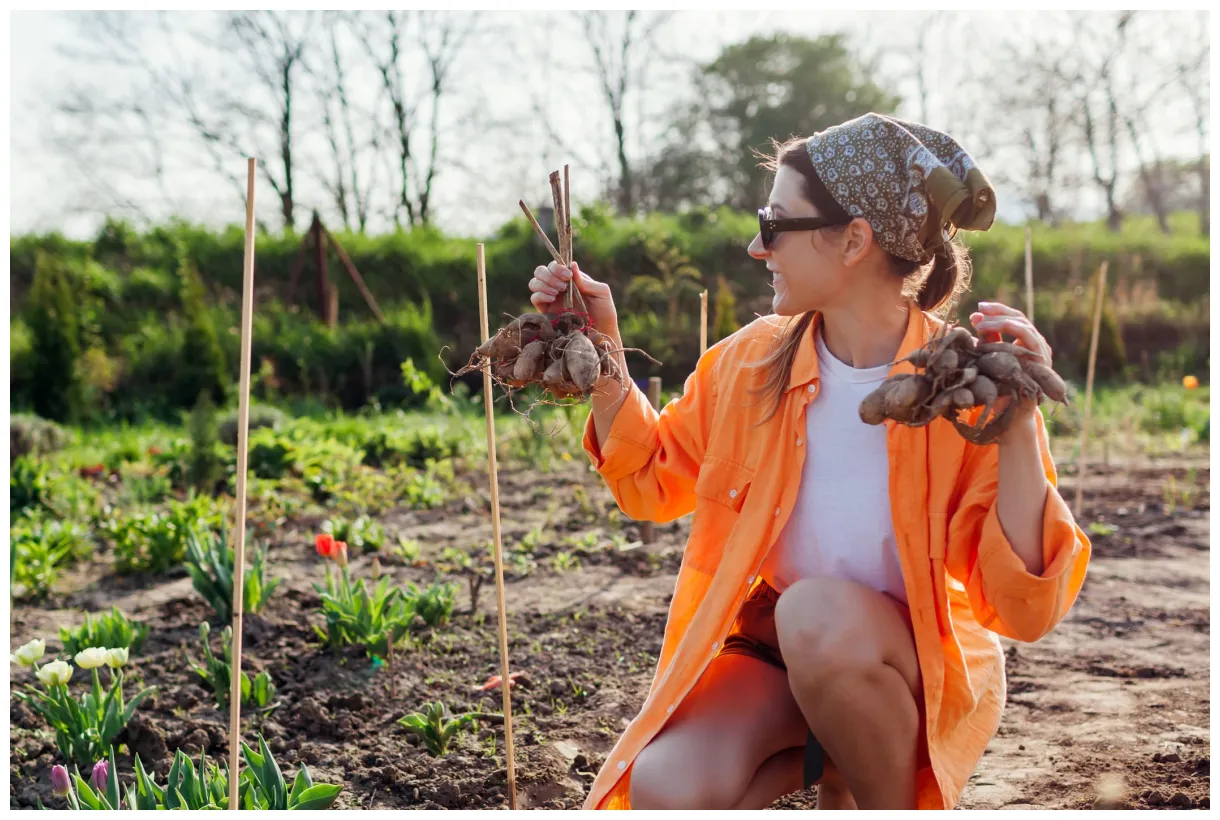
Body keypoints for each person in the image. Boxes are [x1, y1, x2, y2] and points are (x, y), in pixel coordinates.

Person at [527, 113, 1091, 810]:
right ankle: (842, 766)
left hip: (910, 664)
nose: (755, 247)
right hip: (784, 651)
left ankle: (882, 798)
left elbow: (1023, 609)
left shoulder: (961, 382)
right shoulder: (749, 364)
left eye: (773, 222)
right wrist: (602, 350)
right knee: (666, 785)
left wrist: (1017, 428)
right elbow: (652, 483)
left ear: (853, 239)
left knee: (816, 613)